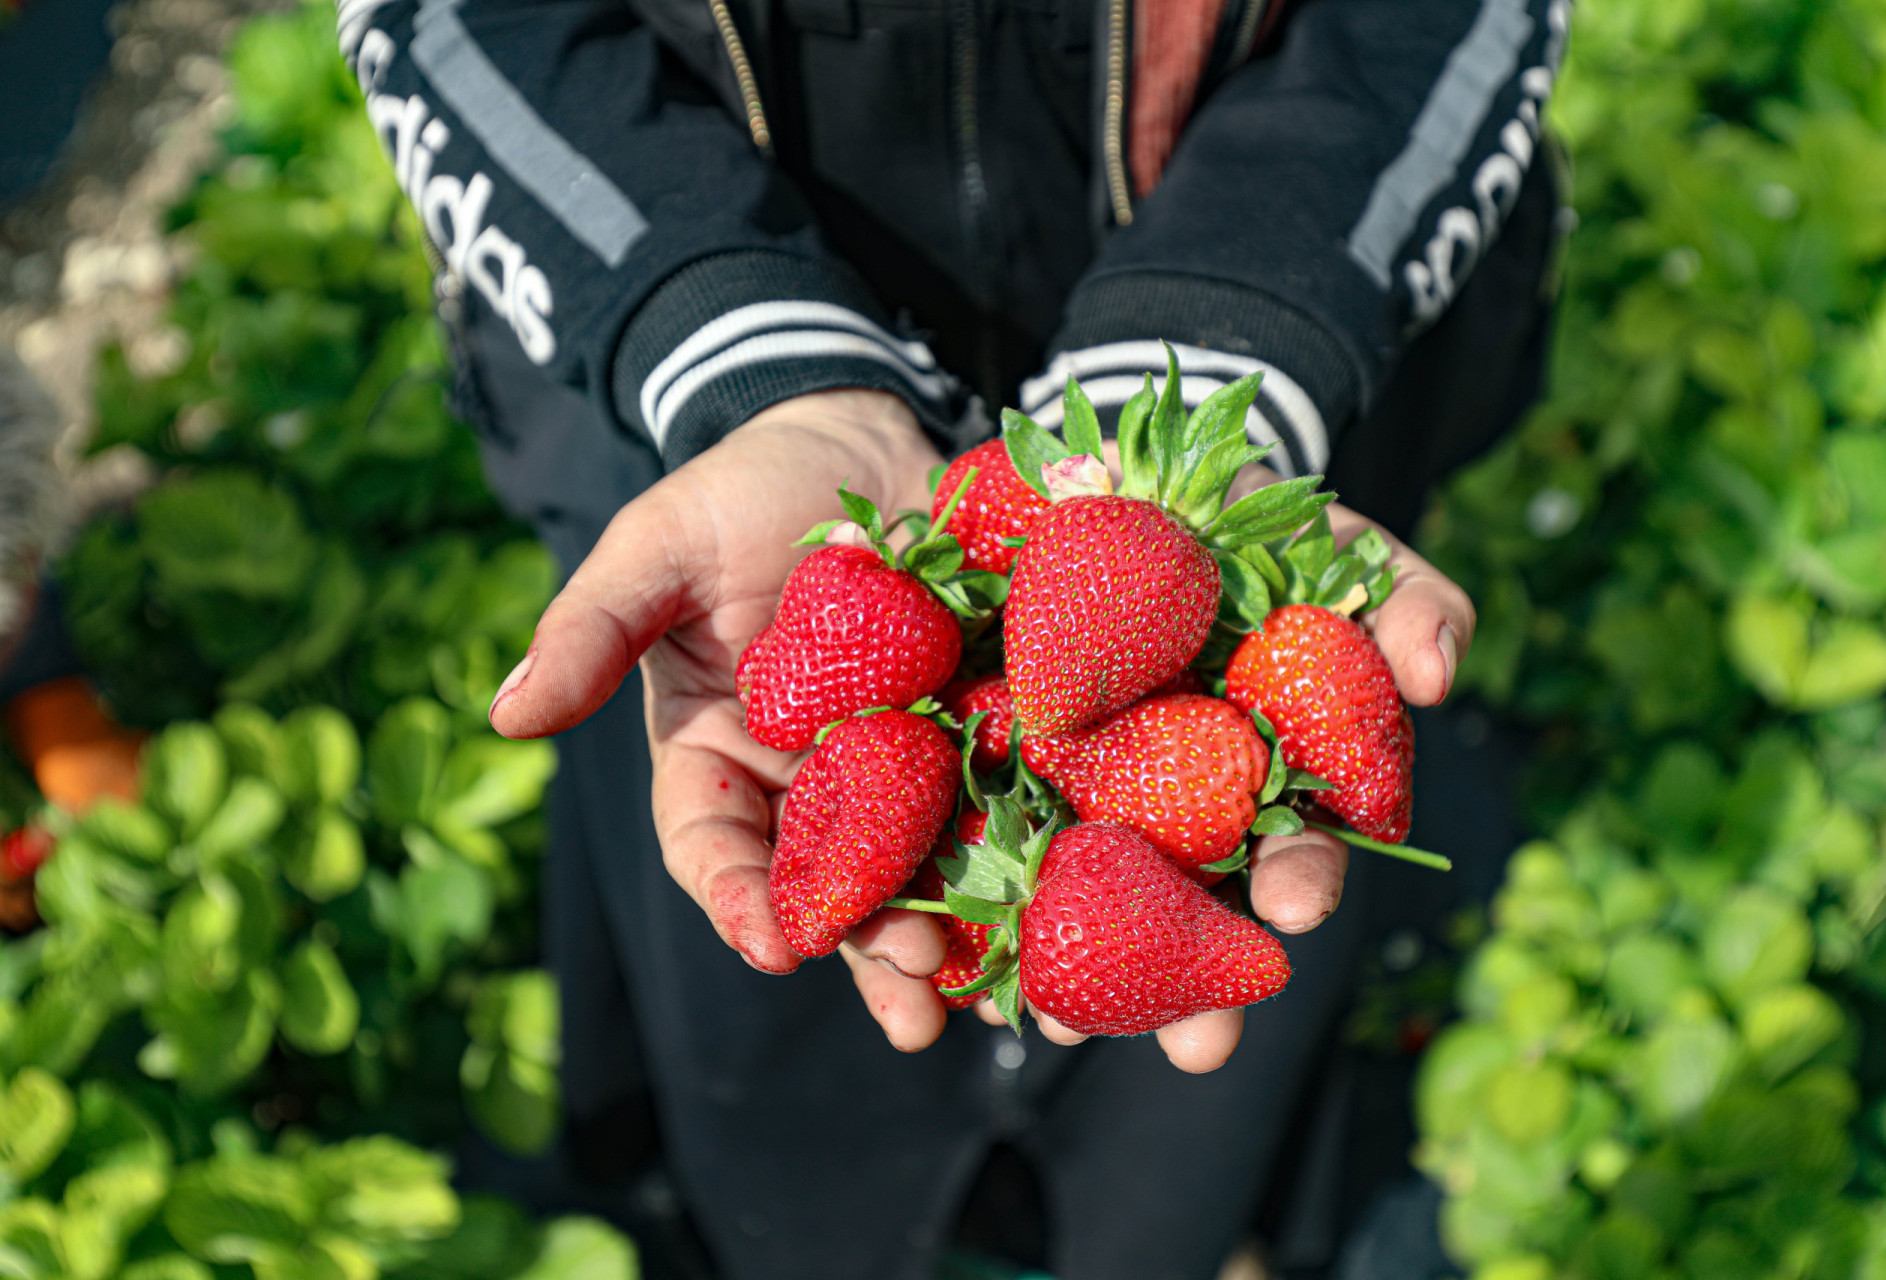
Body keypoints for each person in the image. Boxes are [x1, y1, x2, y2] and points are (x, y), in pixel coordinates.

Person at [336, 0, 1567, 1273]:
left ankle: (1177, 1226)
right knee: (753, 985)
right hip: (679, 342)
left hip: (1273, 313)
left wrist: (1213, 354)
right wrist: (736, 342)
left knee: (1204, 1057)